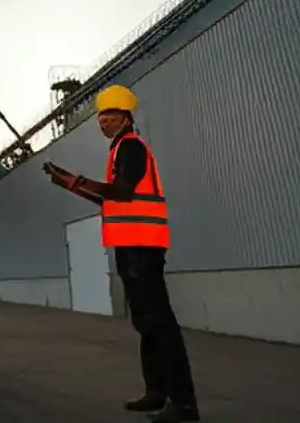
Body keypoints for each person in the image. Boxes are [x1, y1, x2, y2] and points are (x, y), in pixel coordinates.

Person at [44, 84, 200, 423]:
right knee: (145, 324)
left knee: (161, 324)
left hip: (144, 246)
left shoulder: (131, 147)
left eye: (110, 117)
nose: (103, 123)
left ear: (126, 119)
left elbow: (125, 192)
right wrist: (70, 184)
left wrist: (77, 180)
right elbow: (112, 200)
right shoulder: (117, 151)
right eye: (100, 118)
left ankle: (184, 405)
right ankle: (156, 392)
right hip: (129, 247)